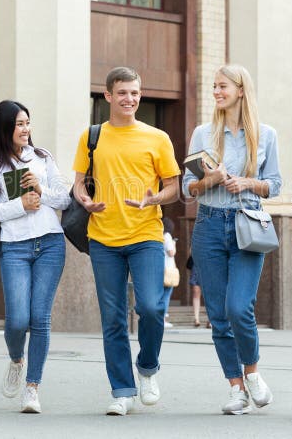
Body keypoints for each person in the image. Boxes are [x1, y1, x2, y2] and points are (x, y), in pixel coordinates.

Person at [72, 66, 181, 416]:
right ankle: (121, 389)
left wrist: (154, 199)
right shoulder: (92, 136)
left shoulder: (157, 138)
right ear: (107, 96)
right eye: (122, 93)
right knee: (113, 319)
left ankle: (147, 366)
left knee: (151, 307)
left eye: (134, 93)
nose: (129, 99)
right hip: (103, 239)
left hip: (146, 234)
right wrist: (85, 201)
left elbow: (174, 187)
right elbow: (78, 183)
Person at [182, 64, 282, 415]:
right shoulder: (202, 135)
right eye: (213, 87)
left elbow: (275, 184)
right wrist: (209, 180)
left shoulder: (265, 134)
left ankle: (252, 372)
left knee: (240, 307)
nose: (216, 92)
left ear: (241, 90)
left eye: (222, 86)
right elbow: (186, 188)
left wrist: (245, 182)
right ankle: (236, 387)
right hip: (208, 226)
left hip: (247, 225)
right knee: (219, 314)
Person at [0, 100, 71, 414]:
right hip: (14, 246)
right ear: (4, 128)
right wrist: (19, 206)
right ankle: (17, 360)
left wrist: (40, 190)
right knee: (17, 320)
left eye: (27, 123)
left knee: (40, 318)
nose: (25, 129)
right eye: (18, 124)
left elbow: (65, 198)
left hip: (50, 244)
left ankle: (32, 388)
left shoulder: (42, 158)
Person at [160, 218, 178, 328]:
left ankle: (160, 318)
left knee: (160, 295)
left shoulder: (159, 235)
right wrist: (174, 243)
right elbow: (171, 253)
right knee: (166, 295)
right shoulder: (167, 236)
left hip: (160, 268)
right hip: (168, 269)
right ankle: (162, 319)